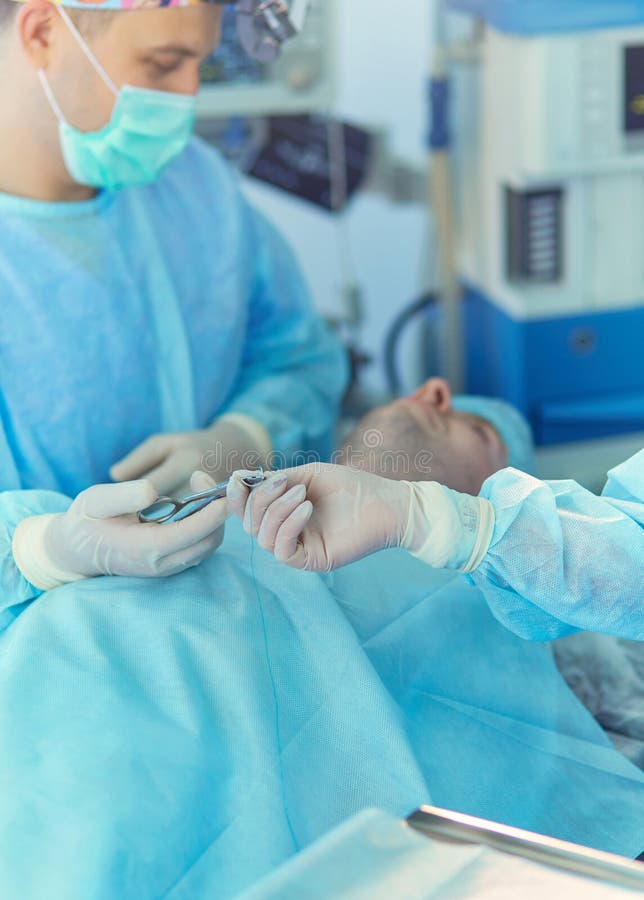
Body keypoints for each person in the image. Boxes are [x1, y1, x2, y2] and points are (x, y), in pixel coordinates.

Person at [2, 379, 644, 898]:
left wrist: (452, 525)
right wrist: (42, 549)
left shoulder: (511, 598)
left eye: (479, 434)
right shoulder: (117, 518)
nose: (438, 391)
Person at [0, 0, 346, 616]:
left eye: (201, 67)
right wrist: (39, 550)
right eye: (164, 64)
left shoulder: (195, 187)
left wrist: (247, 435)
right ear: (44, 32)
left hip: (234, 611)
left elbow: (300, 359)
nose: (186, 97)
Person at [228, 378, 644, 641]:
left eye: (477, 430)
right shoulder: (233, 517)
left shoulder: (493, 617)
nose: (435, 389)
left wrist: (462, 526)